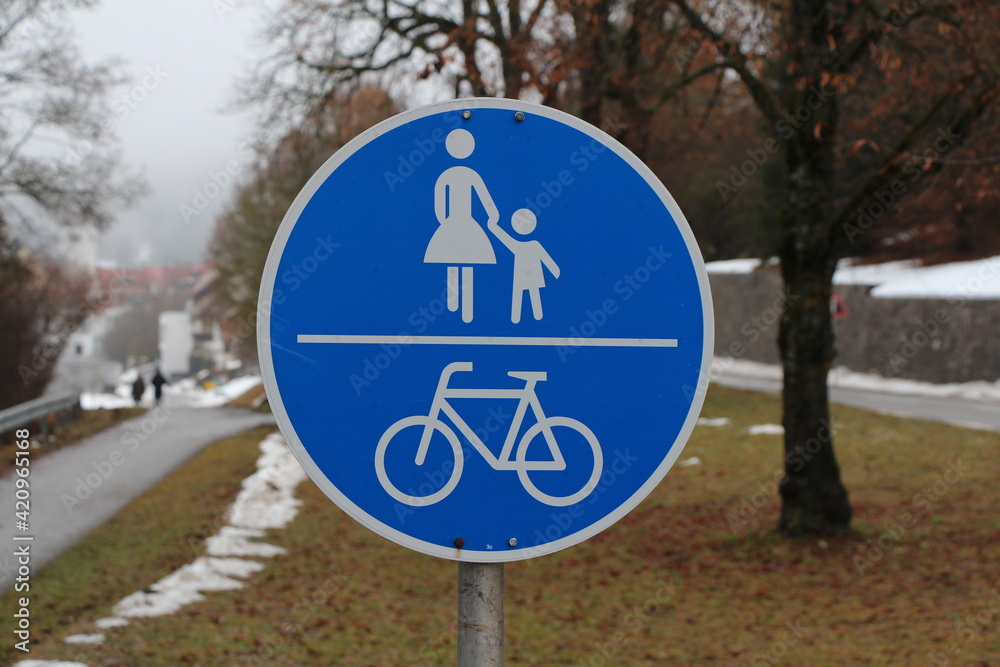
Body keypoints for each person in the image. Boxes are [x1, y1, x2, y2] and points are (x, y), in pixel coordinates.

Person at [423, 128, 498, 323]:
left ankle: (456, 307)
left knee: (456, 261)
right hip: (463, 223)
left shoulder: (449, 175)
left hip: (453, 223)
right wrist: (493, 215)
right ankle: (461, 311)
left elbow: (439, 205)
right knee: (465, 262)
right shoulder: (465, 175)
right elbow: (486, 199)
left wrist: (445, 224)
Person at [489, 208, 560, 323]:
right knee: (521, 296)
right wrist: (492, 226)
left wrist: (555, 271)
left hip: (532, 275)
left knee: (532, 296)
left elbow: (546, 259)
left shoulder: (528, 246)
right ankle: (517, 320)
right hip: (522, 276)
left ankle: (530, 319)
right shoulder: (525, 246)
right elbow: (504, 238)